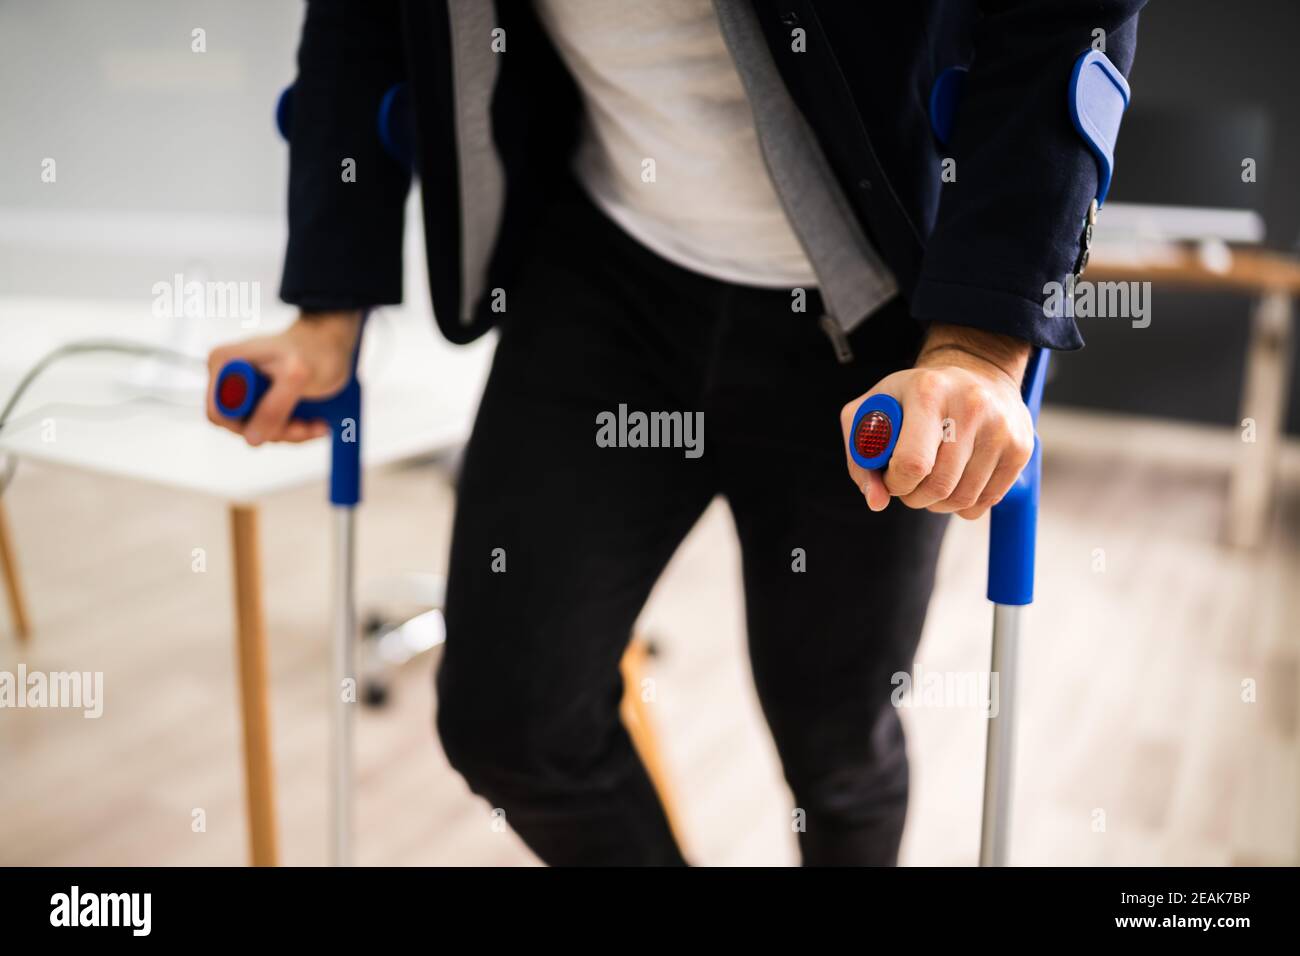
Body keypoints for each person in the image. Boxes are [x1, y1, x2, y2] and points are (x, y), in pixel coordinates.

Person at [207, 0, 1142, 865]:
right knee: (511, 722)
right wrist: (329, 307)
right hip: (604, 268)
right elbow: (359, 25)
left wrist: (981, 344)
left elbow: (1060, 22)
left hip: (872, 298)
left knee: (835, 741)